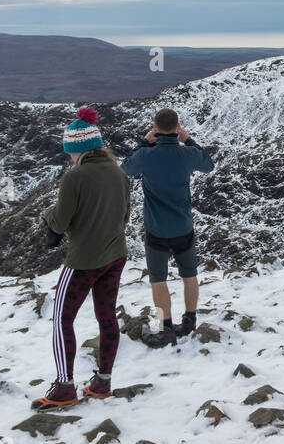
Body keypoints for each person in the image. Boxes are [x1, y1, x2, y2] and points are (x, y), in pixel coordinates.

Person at [33, 108, 131, 409]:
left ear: (77, 150)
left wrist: (48, 212)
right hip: (115, 256)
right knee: (107, 316)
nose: (69, 158)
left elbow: (60, 223)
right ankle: (102, 382)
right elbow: (124, 216)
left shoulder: (75, 177)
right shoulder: (120, 173)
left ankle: (64, 387)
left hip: (82, 261)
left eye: (70, 152)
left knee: (63, 319)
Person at [121, 107, 215, 348]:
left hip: (156, 230)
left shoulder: (146, 155)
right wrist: (187, 139)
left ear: (155, 128)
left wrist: (143, 141)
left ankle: (164, 329)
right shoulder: (187, 155)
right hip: (183, 227)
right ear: (176, 127)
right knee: (189, 275)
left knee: (158, 280)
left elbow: (125, 169)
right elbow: (208, 164)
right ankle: (189, 321)